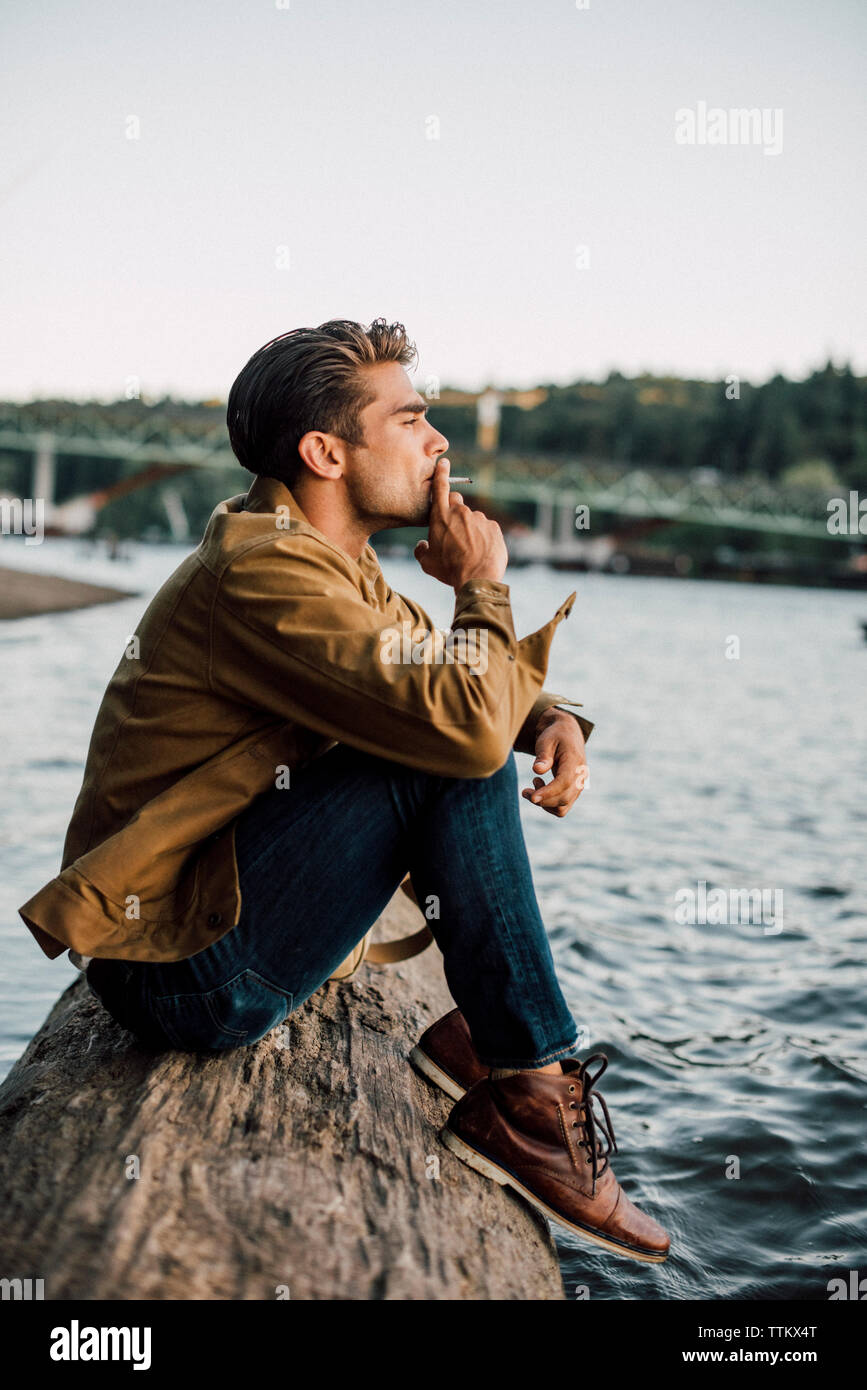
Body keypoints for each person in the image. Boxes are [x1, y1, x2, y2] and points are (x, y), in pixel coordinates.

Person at [18, 317, 669, 1263]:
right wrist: (482, 586)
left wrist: (552, 717)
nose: (438, 442)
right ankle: (527, 1086)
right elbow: (458, 717)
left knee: (457, 738)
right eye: (410, 419)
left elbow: (435, 678)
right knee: (456, 750)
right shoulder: (264, 572)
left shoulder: (334, 566)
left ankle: (499, 1060)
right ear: (325, 451)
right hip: (180, 976)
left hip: (210, 933)